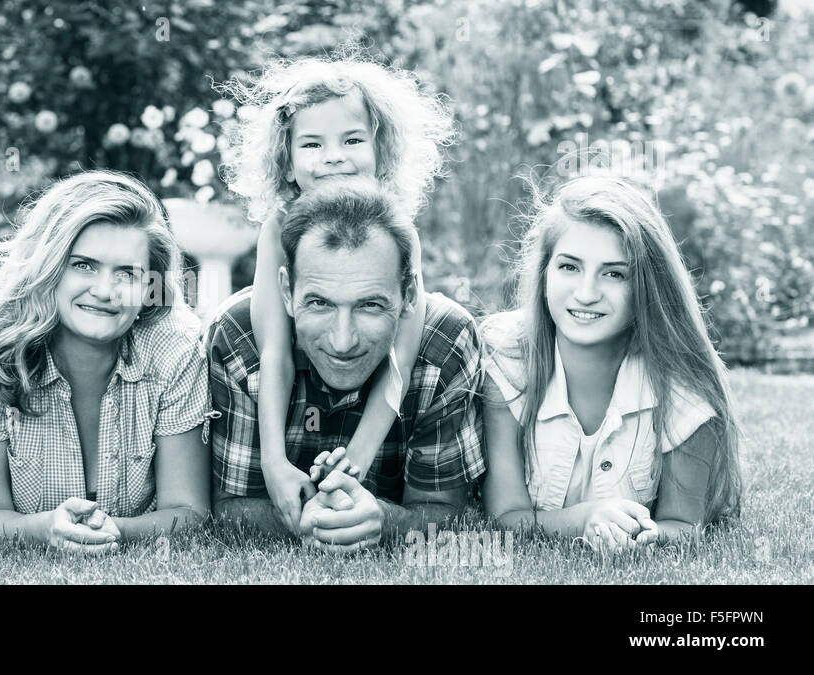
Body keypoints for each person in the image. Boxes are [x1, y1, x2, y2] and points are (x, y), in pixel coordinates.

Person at [219, 51, 455, 532]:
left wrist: (356, 462)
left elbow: (400, 358)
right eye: (312, 144)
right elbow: (273, 351)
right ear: (285, 163)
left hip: (371, 412)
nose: (333, 156)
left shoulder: (397, 229)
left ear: (379, 150)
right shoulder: (278, 228)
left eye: (351, 139)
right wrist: (273, 462)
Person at [208, 177, 484, 552]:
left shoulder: (445, 343)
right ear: (287, 291)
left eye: (370, 305)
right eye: (319, 304)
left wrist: (384, 520)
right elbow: (228, 508)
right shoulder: (239, 340)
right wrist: (317, 516)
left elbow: (447, 510)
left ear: (408, 295)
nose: (343, 342)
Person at [0, 171, 210, 555]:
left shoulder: (175, 347)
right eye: (83, 265)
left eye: (126, 273)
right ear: (48, 266)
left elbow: (189, 512)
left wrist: (114, 530)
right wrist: (42, 529)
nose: (104, 291)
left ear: (151, 285)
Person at [479, 176, 743, 554]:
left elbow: (684, 524)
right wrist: (586, 519)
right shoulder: (506, 362)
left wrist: (637, 535)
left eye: (614, 273)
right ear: (544, 272)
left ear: (646, 287)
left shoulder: (684, 390)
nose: (586, 294)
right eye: (569, 267)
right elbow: (505, 517)